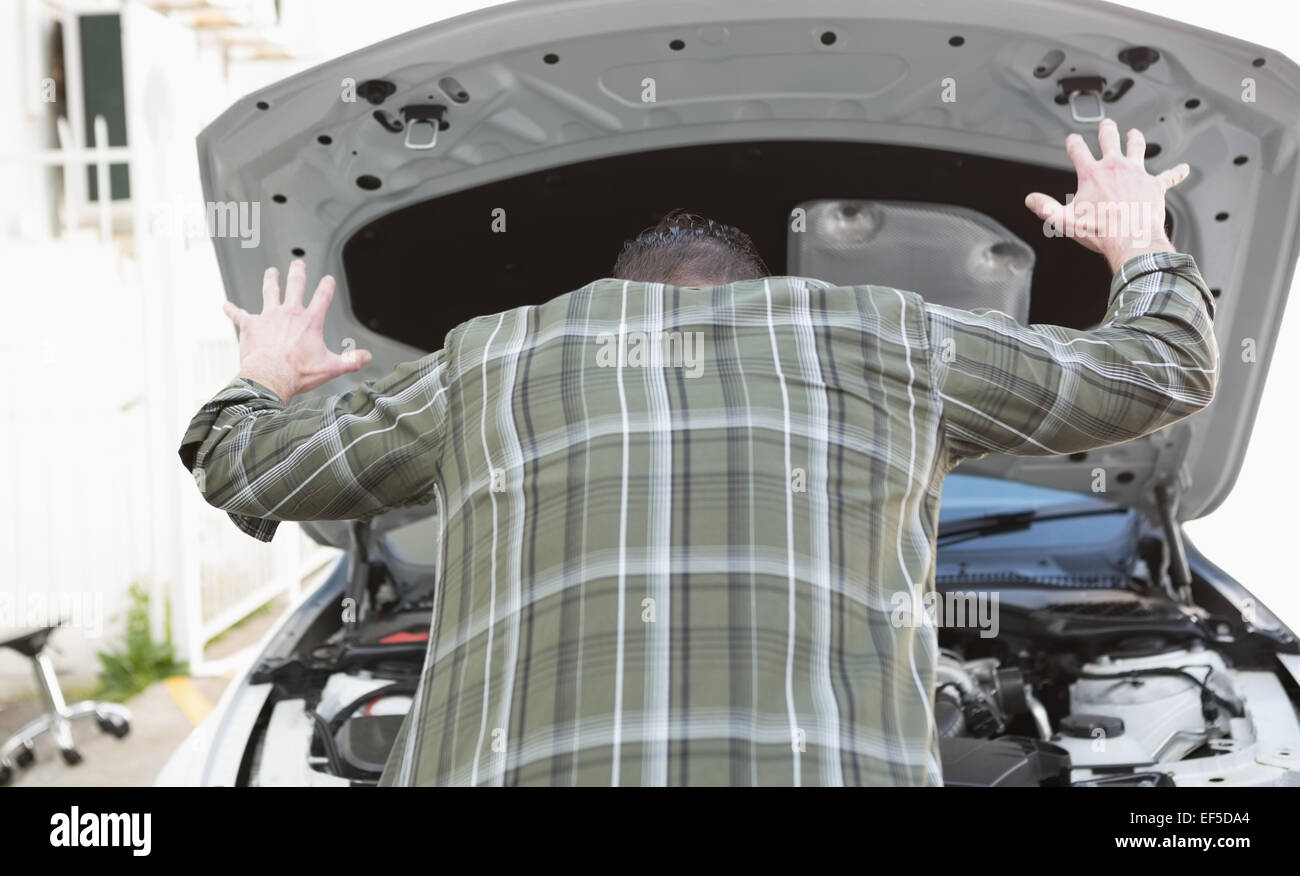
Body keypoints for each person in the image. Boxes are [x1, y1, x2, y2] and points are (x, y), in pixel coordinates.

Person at [179, 119, 1217, 785]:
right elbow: (1163, 368)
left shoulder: (488, 359)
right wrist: (1135, 236)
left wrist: (267, 367)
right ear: (764, 287)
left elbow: (240, 463)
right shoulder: (889, 337)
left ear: (614, 294)